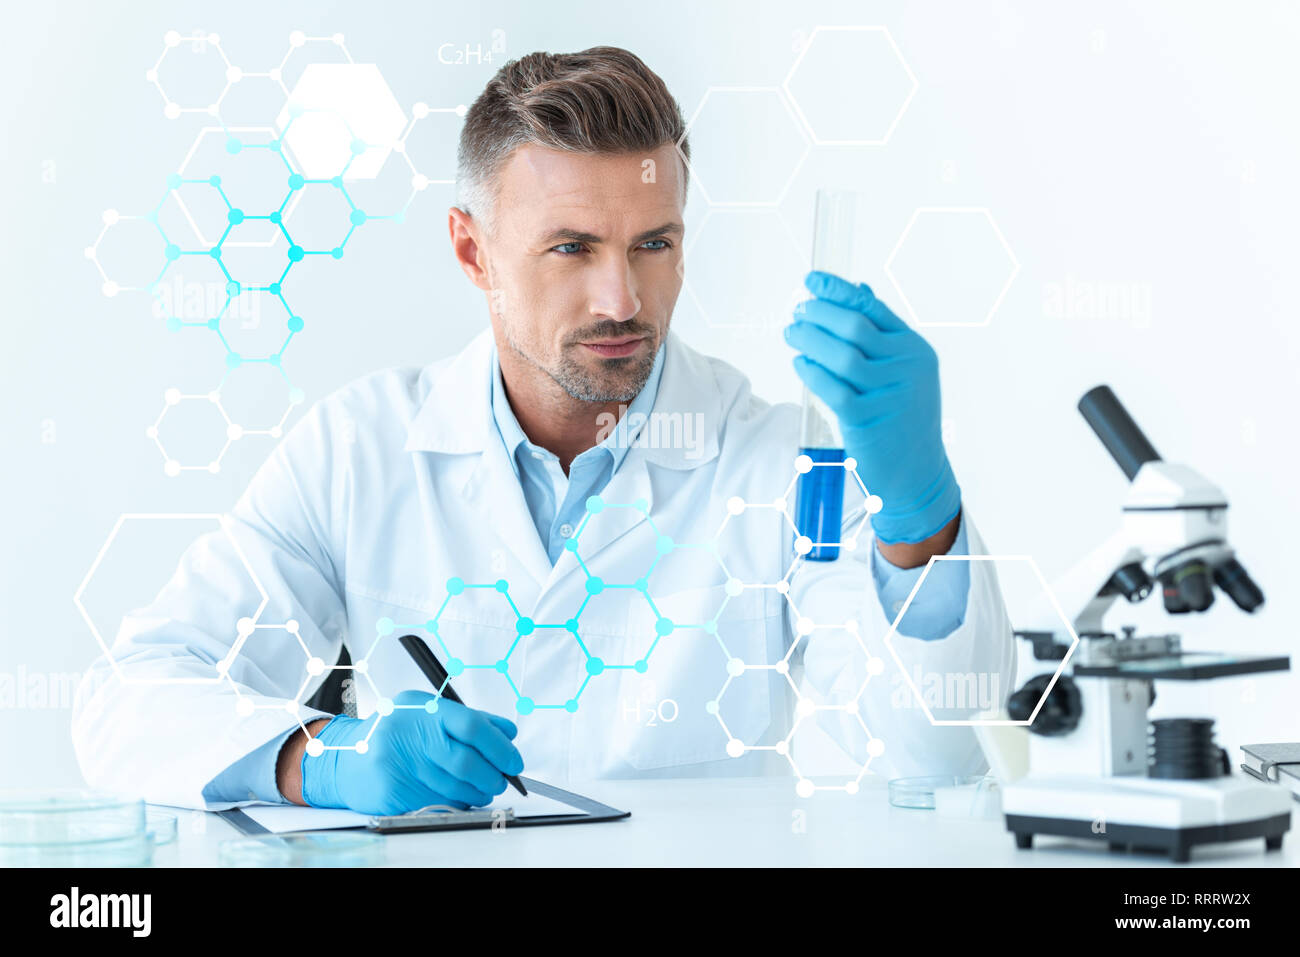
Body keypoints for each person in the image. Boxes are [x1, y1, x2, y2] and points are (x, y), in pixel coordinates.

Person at [72, 46, 1014, 814]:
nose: (623, 299)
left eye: (655, 243)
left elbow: (932, 765)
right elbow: (127, 699)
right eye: (572, 248)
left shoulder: (772, 458)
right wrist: (316, 759)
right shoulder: (357, 450)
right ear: (473, 250)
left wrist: (915, 518)